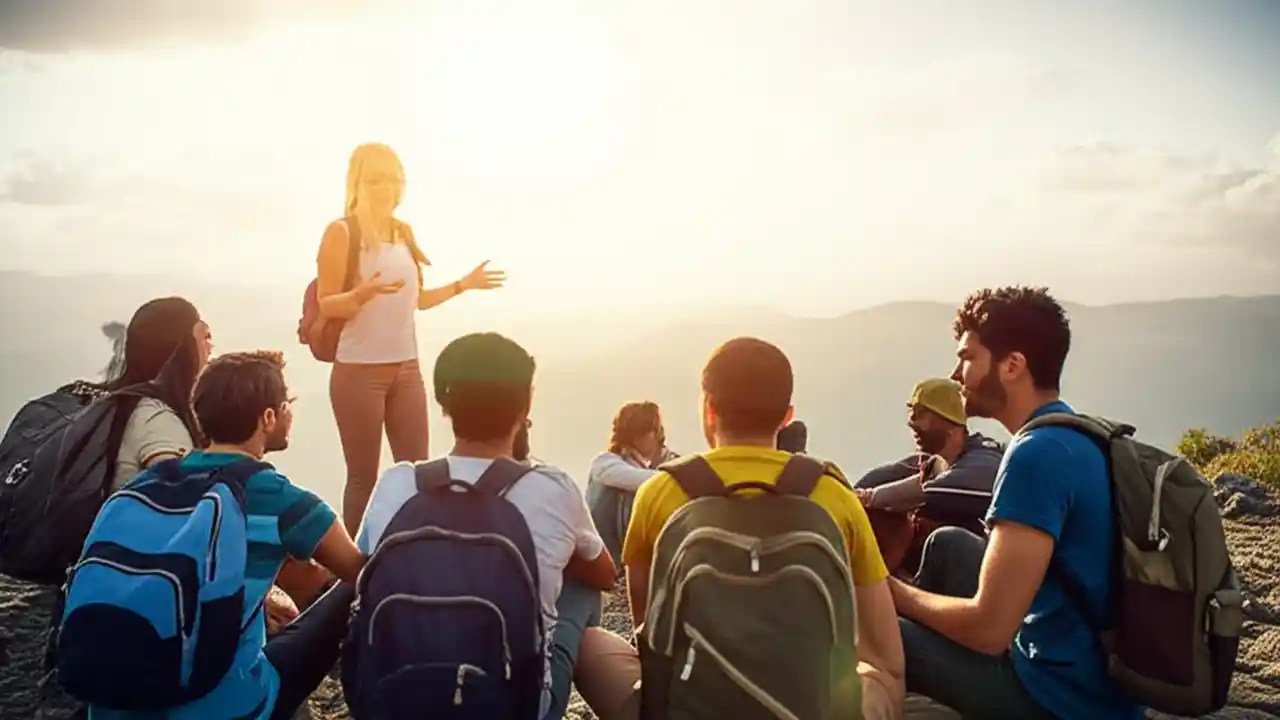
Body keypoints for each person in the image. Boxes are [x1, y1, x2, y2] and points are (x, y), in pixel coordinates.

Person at [610, 337, 906, 719]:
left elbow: (648, 630)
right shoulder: (833, 495)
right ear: (787, 416)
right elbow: (887, 655)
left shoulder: (658, 494)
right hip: (808, 708)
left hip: (693, 703)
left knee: (596, 648)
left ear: (709, 409)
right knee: (882, 674)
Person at [890, 286, 1143, 719]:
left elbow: (990, 630)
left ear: (1012, 365)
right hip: (1099, 671)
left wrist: (892, 592)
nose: (957, 374)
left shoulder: (1035, 456)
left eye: (968, 358)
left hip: (1058, 700)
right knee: (948, 543)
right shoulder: (1078, 433)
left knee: (883, 628)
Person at [87, 350, 366, 720]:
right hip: (221, 707)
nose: (289, 414)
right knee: (351, 592)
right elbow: (360, 571)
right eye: (286, 405)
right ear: (268, 418)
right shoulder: (278, 496)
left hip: (112, 703)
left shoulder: (148, 481)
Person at [353, 332, 615, 719]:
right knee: (582, 590)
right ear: (524, 407)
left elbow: (363, 570)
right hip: (516, 708)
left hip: (395, 699)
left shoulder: (397, 483)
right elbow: (605, 573)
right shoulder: (552, 487)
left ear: (444, 405)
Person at [315, 142, 507, 534]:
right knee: (363, 477)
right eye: (375, 180)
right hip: (358, 371)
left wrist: (462, 285)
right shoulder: (341, 232)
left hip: (406, 369)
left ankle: (419, 550)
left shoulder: (403, 233)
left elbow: (416, 299)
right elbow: (326, 303)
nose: (385, 188)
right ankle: (357, 571)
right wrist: (358, 296)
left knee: (418, 470)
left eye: (392, 179)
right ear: (357, 182)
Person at [854, 378, 1002, 575]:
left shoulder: (985, 457)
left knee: (946, 540)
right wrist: (865, 497)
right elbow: (915, 482)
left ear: (948, 420)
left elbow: (936, 489)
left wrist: (873, 497)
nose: (911, 422)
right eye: (911, 413)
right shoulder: (934, 464)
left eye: (920, 414)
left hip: (995, 571)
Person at [584, 401, 668, 570]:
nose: (648, 438)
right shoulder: (605, 463)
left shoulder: (671, 461)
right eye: (641, 433)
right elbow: (633, 478)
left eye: (650, 431)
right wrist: (678, 478)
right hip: (612, 558)